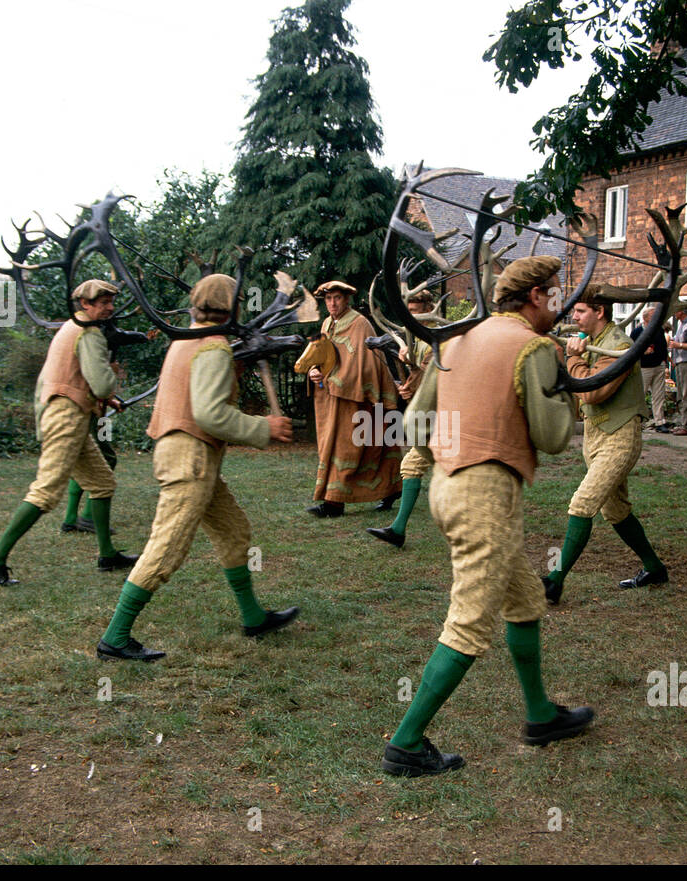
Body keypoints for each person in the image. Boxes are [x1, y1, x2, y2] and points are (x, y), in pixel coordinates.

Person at [381, 255, 592, 777]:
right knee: (470, 622)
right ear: (537, 296)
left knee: (523, 599)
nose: (560, 303)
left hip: (446, 486)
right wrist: (564, 386)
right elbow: (553, 438)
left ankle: (540, 715)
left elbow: (412, 425)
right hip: (486, 497)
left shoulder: (455, 340)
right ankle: (405, 743)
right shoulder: (536, 348)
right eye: (557, 293)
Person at [96, 274, 299, 662]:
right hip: (191, 459)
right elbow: (209, 414)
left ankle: (254, 617)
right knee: (166, 547)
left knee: (234, 531)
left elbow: (202, 391)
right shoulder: (213, 347)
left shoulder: (188, 339)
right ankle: (115, 638)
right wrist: (264, 427)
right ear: (232, 306)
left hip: (188, 456)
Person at [0, 280, 139, 586]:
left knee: (102, 483)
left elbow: (72, 376)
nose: (110, 306)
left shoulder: (70, 328)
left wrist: (103, 398)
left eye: (110, 300)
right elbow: (101, 383)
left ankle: (107, 555)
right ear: (85, 305)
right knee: (46, 491)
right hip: (67, 418)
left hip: (65, 411)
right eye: (102, 302)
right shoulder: (90, 335)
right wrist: (109, 384)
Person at [542, 285, 668, 605]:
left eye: (581, 311)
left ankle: (554, 580)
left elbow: (593, 392)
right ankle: (654, 568)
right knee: (616, 511)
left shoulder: (620, 345)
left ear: (600, 312)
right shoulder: (595, 343)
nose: (574, 316)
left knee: (582, 504)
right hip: (596, 437)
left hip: (620, 437)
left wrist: (572, 358)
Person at [305, 279, 402, 517]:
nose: (332, 303)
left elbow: (364, 364)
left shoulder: (360, 324)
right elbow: (320, 355)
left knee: (357, 448)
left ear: (346, 299)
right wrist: (313, 370)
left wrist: (334, 379)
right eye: (328, 299)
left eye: (337, 298)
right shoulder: (327, 324)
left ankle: (335, 503)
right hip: (332, 398)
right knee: (337, 446)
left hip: (357, 397)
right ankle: (338, 501)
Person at [61, 323, 160, 533]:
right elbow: (92, 379)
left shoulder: (82, 338)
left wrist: (110, 400)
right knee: (105, 459)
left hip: (82, 407)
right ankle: (87, 517)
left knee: (83, 463)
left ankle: (70, 518)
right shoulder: (92, 340)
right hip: (84, 408)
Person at [367, 288, 442, 548]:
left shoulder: (439, 335)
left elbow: (434, 370)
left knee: (443, 467)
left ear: (429, 308)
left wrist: (413, 378)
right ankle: (398, 529)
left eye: (415, 311)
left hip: (447, 415)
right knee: (416, 465)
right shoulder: (415, 336)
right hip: (432, 415)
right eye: (407, 312)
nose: (411, 317)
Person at [638, 305, 670, 432]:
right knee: (641, 394)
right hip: (644, 367)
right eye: (653, 315)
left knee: (659, 395)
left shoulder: (658, 330)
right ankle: (638, 421)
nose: (656, 317)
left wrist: (664, 363)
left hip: (658, 366)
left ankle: (659, 422)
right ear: (645, 318)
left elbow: (663, 347)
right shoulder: (637, 332)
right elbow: (630, 349)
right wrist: (642, 351)